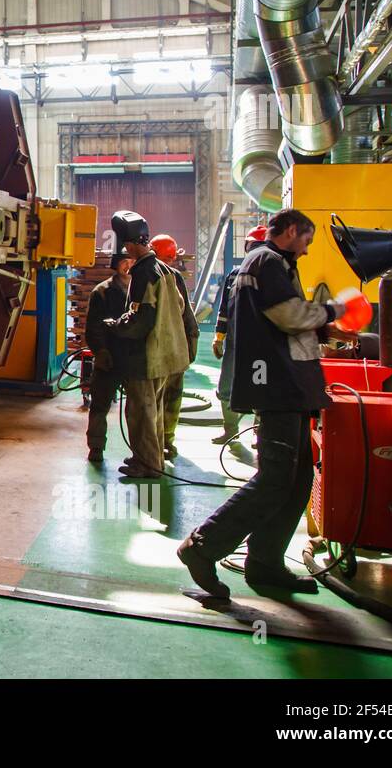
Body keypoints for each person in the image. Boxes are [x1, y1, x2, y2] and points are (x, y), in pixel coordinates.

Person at [177, 209, 346, 598]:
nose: (306, 251)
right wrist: (334, 310)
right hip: (277, 387)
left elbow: (282, 321)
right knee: (274, 480)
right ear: (290, 231)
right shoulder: (267, 261)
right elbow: (287, 315)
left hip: (288, 386)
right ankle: (202, 547)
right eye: (306, 241)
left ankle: (265, 563)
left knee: (298, 480)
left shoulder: (270, 263)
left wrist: (321, 329)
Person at [104, 211, 191, 479]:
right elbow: (177, 306)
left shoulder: (142, 272)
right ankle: (149, 458)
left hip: (147, 357)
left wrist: (117, 325)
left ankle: (148, 465)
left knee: (141, 412)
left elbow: (141, 319)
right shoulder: (165, 270)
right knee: (153, 411)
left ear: (128, 245)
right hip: (168, 354)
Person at [211, 224, 268, 446]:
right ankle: (230, 430)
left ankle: (259, 434)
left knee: (260, 388)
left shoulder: (271, 275)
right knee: (226, 388)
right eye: (252, 245)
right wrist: (219, 336)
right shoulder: (234, 275)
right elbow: (224, 308)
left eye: (258, 245)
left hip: (261, 347)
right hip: (235, 345)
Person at [150, 234, 200, 460]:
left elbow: (186, 316)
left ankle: (163, 440)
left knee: (161, 396)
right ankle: (164, 440)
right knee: (168, 396)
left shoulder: (158, 276)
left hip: (165, 348)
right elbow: (188, 317)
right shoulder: (170, 275)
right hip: (174, 347)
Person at [83, 251, 133, 464]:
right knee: (100, 405)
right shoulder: (102, 292)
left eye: (132, 261)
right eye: (124, 262)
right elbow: (93, 327)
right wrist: (101, 352)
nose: (128, 266)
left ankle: (140, 452)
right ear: (116, 265)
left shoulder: (142, 291)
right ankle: (96, 446)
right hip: (109, 357)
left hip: (133, 358)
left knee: (138, 409)